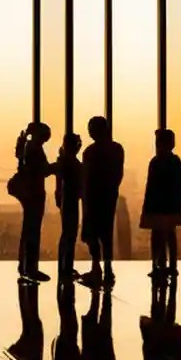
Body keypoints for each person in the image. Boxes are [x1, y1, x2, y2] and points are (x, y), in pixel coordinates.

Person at [81, 116, 125, 288]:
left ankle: (96, 266)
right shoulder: (116, 149)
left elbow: (86, 177)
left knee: (92, 233)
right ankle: (106, 268)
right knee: (106, 233)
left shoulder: (90, 152)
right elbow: (118, 174)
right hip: (108, 195)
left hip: (93, 197)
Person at [140, 129, 181, 278]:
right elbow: (179, 185)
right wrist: (180, 203)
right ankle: (171, 265)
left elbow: (150, 186)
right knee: (170, 235)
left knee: (157, 236)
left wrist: (147, 207)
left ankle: (158, 264)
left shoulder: (155, 162)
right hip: (170, 205)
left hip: (156, 205)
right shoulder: (175, 161)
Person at [11, 122, 53, 282]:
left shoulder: (30, 146)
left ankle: (26, 266)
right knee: (32, 230)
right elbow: (42, 170)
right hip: (33, 192)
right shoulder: (34, 148)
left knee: (29, 229)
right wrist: (58, 166)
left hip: (31, 192)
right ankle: (30, 268)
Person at [54, 133, 83, 281]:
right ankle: (66, 267)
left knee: (68, 234)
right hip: (71, 200)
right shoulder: (70, 162)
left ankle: (65, 266)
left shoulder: (65, 161)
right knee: (69, 234)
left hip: (67, 199)